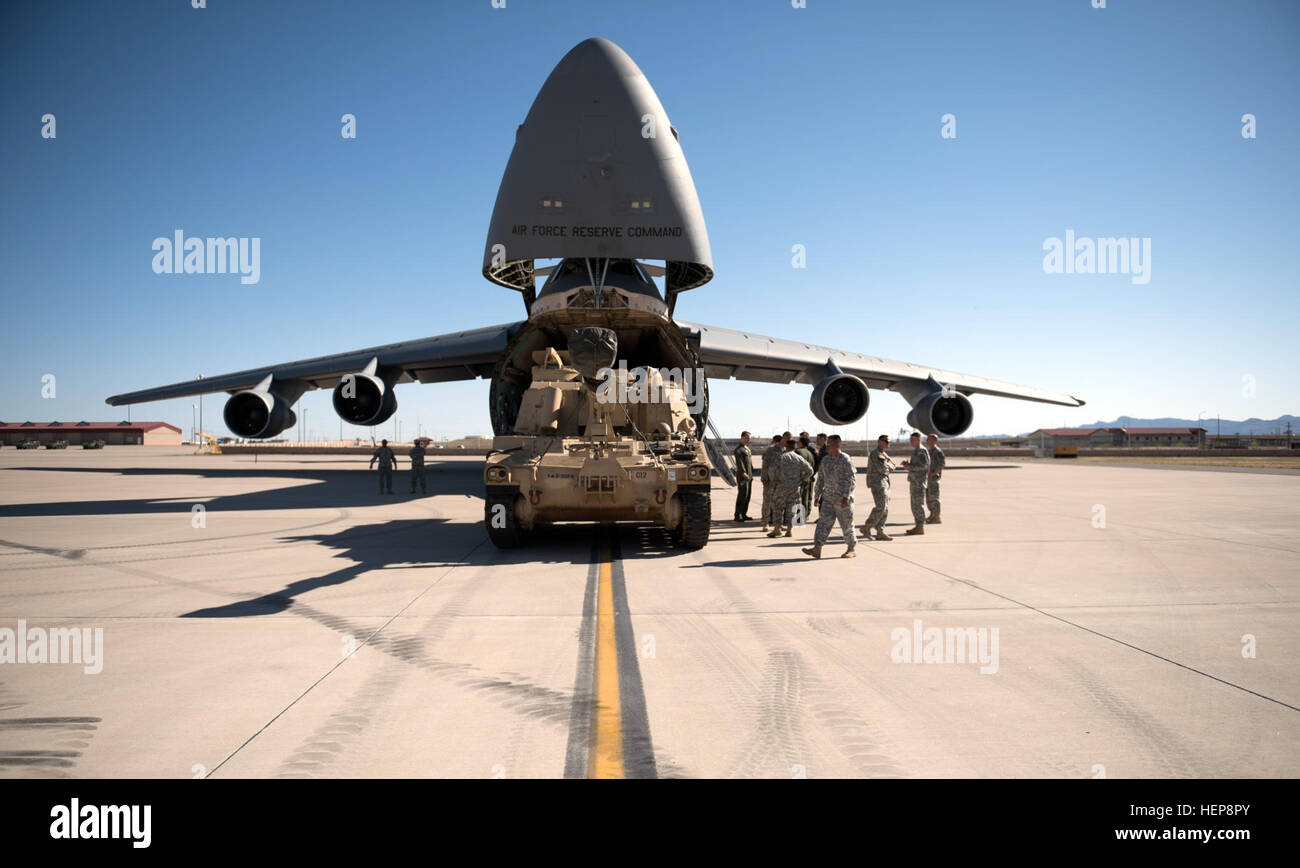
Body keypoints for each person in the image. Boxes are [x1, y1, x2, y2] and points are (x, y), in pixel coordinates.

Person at [803, 434, 856, 559]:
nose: (827, 446)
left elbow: (851, 479)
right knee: (823, 523)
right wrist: (817, 496)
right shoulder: (826, 460)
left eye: (829, 443)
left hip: (842, 500)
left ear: (837, 444)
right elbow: (821, 479)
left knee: (846, 524)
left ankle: (851, 548)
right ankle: (817, 548)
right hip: (828, 499)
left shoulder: (845, 459)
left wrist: (846, 496)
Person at [767, 437, 813, 538]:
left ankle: (777, 529)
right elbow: (810, 471)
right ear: (794, 447)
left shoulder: (781, 457)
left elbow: (771, 469)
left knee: (778, 507)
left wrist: (773, 480)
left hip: (782, 486)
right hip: (794, 487)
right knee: (791, 508)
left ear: (786, 447)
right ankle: (789, 530)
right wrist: (802, 480)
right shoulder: (798, 458)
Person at [860, 434, 895, 541]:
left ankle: (880, 531)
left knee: (885, 508)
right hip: (878, 483)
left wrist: (889, 466)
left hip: (885, 483)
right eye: (886, 441)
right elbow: (882, 469)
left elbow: (893, 466)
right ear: (879, 442)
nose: (888, 444)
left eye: (889, 442)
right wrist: (889, 466)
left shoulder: (883, 454)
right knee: (881, 506)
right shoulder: (876, 454)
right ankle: (867, 527)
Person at [899, 431, 930, 535]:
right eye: (910, 439)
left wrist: (909, 467)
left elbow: (924, 466)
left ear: (919, 440)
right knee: (914, 505)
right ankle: (918, 526)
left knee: (918, 505)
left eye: (913, 439)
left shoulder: (921, 451)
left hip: (919, 483)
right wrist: (908, 465)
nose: (911, 441)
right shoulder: (917, 451)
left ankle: (920, 527)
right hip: (915, 482)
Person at [760, 434, 783, 532]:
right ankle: (765, 523)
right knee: (767, 502)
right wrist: (764, 479)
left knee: (778, 503)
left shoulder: (784, 450)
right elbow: (765, 464)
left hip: (780, 481)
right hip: (769, 481)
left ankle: (777, 524)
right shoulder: (771, 450)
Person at [796, 434, 818, 517]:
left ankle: (799, 517)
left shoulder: (798, 452)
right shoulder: (809, 453)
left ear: (801, 443)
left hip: (800, 479)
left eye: (798, 442)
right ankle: (804, 515)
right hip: (808, 478)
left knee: (799, 498)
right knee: (806, 497)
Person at [733, 431, 753, 521]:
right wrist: (743, 473)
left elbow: (750, 463)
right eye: (747, 438)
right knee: (742, 495)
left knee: (747, 496)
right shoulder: (739, 450)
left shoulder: (747, 449)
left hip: (749, 476)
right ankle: (738, 515)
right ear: (742, 437)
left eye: (749, 438)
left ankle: (744, 514)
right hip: (743, 476)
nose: (749, 440)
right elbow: (739, 463)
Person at [925, 434, 945, 523]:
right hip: (927, 479)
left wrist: (934, 472)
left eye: (929, 440)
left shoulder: (937, 452)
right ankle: (932, 514)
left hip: (933, 479)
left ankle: (937, 517)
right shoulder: (929, 451)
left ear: (934, 441)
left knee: (934, 498)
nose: (927, 441)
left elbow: (942, 464)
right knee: (929, 498)